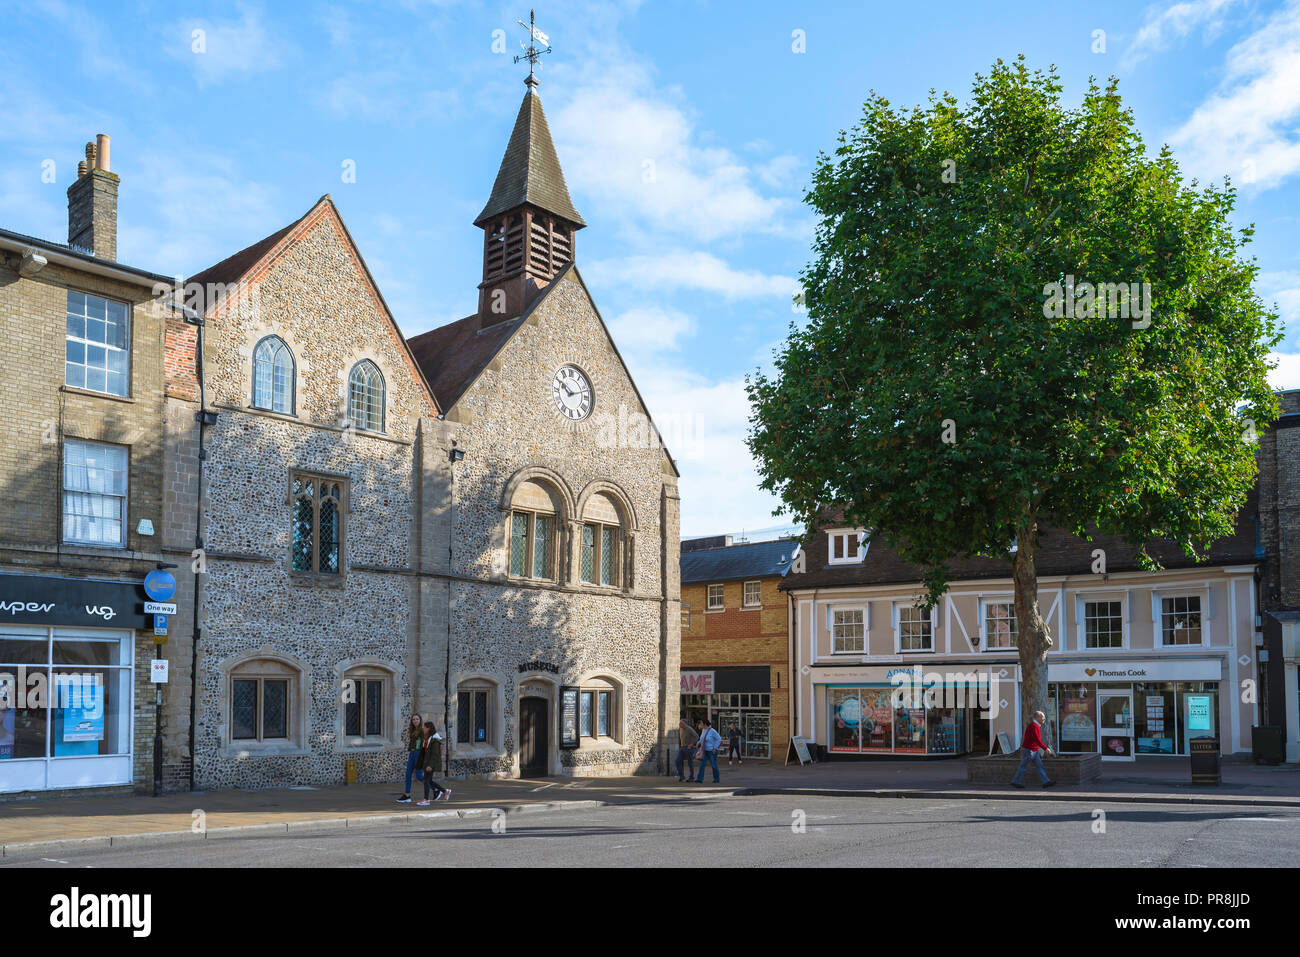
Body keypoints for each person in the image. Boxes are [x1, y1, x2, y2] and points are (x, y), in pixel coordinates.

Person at [1010, 710, 1056, 789]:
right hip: (1029, 750)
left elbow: (1036, 740)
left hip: (1034, 750)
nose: (1044, 719)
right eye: (1043, 717)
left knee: (1039, 766)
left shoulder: (1035, 726)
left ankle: (1046, 781)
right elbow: (1037, 740)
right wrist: (1046, 748)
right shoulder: (1034, 726)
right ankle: (1015, 781)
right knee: (1023, 767)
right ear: (1037, 718)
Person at [417, 720, 451, 805]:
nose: (423, 729)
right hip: (427, 763)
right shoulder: (428, 738)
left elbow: (435, 754)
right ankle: (445, 791)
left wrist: (430, 765)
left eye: (424, 728)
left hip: (430, 764)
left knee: (426, 781)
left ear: (428, 728)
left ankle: (426, 799)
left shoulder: (434, 740)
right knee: (429, 781)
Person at [397, 712, 424, 803]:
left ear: (420, 720)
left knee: (419, 776)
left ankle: (436, 789)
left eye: (417, 719)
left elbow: (420, 743)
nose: (415, 721)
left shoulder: (421, 730)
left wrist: (418, 751)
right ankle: (407, 795)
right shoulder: (413, 730)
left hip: (418, 753)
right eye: (413, 719)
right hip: (412, 753)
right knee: (408, 774)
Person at [694, 718, 721, 784]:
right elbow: (702, 739)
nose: (699, 725)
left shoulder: (712, 731)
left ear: (704, 724)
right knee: (702, 764)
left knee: (714, 765)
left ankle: (716, 779)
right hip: (704, 750)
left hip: (712, 751)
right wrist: (698, 742)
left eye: (700, 724)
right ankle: (700, 779)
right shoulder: (703, 730)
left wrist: (715, 747)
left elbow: (719, 739)